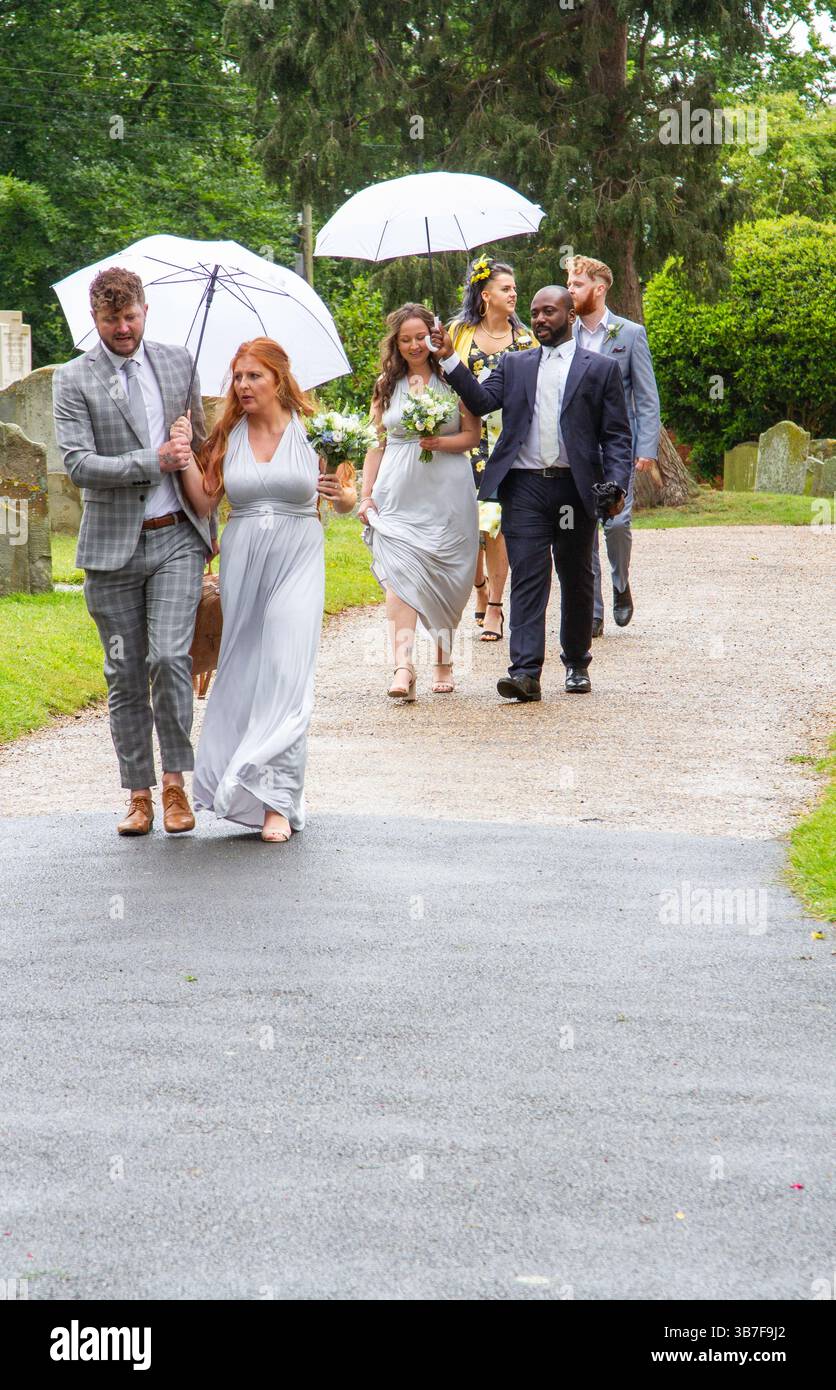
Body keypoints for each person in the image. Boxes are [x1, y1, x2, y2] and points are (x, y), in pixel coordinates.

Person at [53, 266, 213, 837]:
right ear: (93, 319)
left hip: (176, 538)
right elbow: (78, 465)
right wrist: (155, 460)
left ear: (145, 310)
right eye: (110, 319)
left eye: (130, 316)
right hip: (111, 551)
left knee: (170, 659)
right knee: (124, 672)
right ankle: (138, 794)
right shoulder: (73, 379)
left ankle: (176, 785)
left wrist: (189, 443)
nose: (123, 328)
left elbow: (204, 445)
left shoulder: (178, 362)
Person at [186, 338, 355, 843]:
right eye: (238, 377)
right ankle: (237, 787)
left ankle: (280, 801)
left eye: (253, 376)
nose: (243, 386)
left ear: (278, 378)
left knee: (285, 671)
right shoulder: (228, 434)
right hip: (242, 562)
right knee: (244, 670)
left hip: (298, 555)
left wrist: (343, 495)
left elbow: (346, 500)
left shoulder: (316, 434)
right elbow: (203, 502)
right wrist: (181, 458)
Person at [430, 287, 633, 702]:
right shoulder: (515, 364)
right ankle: (524, 672)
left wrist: (616, 485)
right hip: (524, 487)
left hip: (574, 490)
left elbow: (616, 436)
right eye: (535, 313)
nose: (540, 319)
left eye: (549, 312)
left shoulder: (600, 369)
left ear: (570, 315)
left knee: (577, 577)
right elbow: (482, 400)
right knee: (528, 578)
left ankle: (576, 662)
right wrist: (449, 357)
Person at [357, 303, 480, 699]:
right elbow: (375, 444)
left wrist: (438, 441)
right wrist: (365, 495)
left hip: (447, 491)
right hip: (397, 492)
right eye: (405, 339)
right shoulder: (385, 385)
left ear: (434, 336)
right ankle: (403, 665)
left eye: (420, 338)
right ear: (396, 342)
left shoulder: (453, 379)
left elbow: (472, 437)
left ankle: (444, 659)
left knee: (447, 575)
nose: (413, 346)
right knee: (400, 573)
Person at [566, 255, 661, 635]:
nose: (570, 290)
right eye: (569, 284)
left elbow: (647, 396)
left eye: (577, 284)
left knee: (617, 524)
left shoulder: (629, 333)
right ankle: (593, 608)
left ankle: (621, 582)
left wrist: (648, 448)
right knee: (584, 528)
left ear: (599, 288)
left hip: (619, 447)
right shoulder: (564, 334)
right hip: (578, 449)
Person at [447, 255, 535, 642]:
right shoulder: (457, 333)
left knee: (495, 526)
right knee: (470, 526)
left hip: (505, 446)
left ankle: (496, 607)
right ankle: (479, 587)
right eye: (505, 288)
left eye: (514, 288)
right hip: (465, 441)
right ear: (486, 295)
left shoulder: (526, 339)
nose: (513, 293)